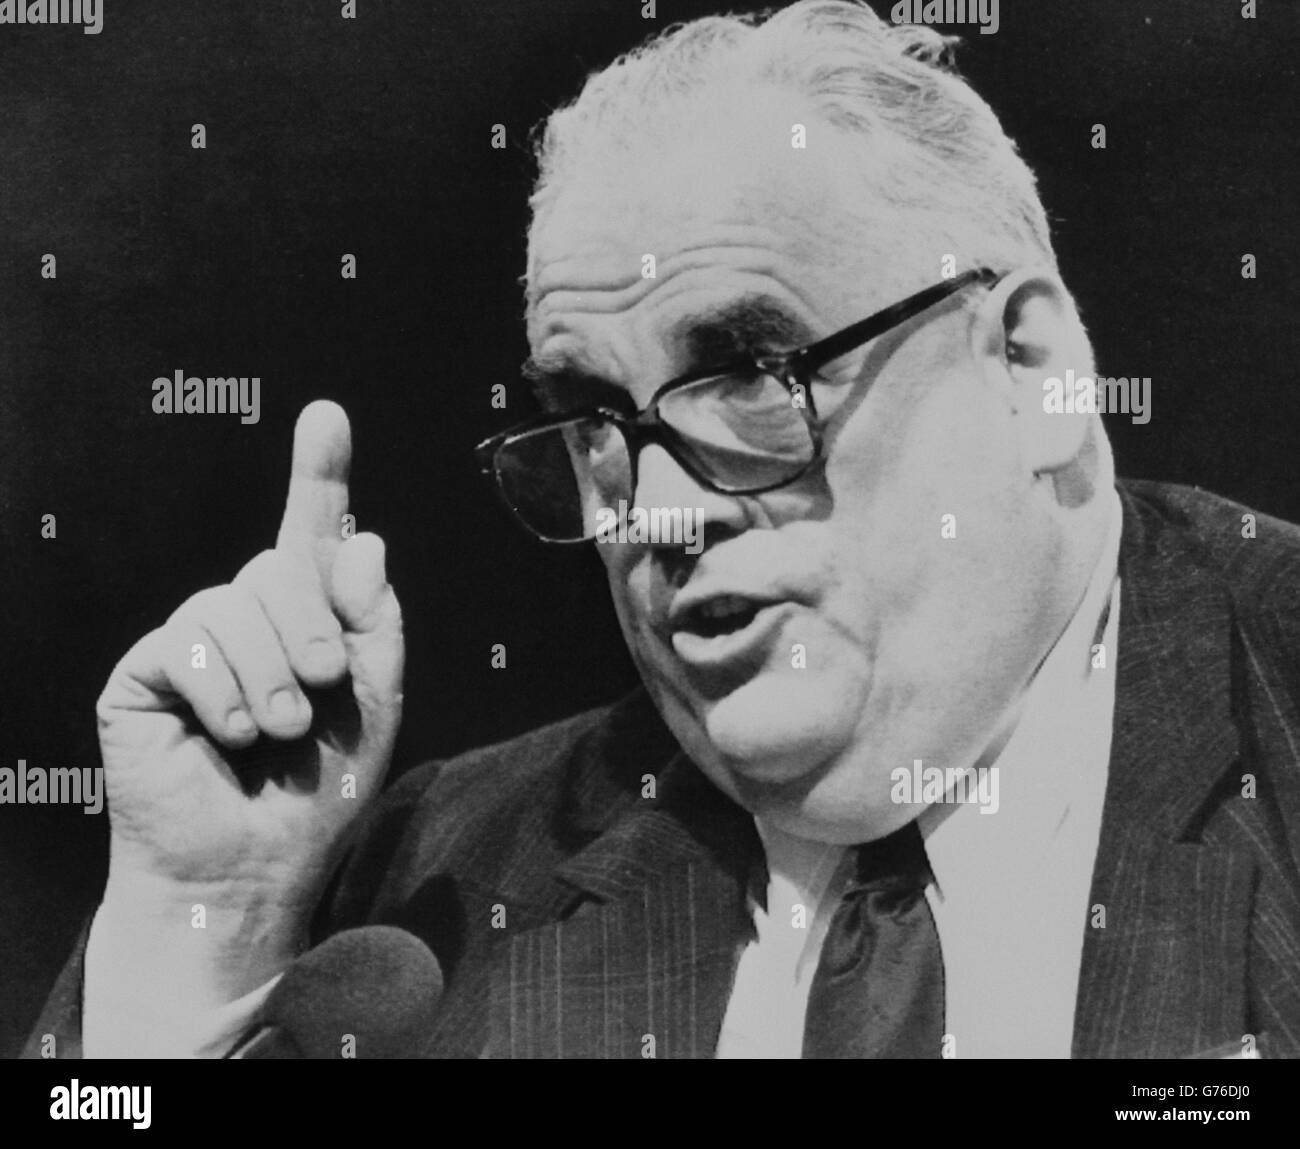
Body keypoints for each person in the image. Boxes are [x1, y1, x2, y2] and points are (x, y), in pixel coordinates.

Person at [27, 0, 1300, 1059]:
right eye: (591, 418)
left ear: (1029, 370)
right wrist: (203, 928)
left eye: (751, 371)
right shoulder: (440, 881)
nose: (659, 507)